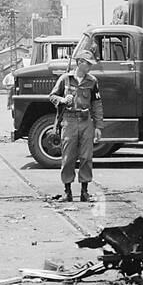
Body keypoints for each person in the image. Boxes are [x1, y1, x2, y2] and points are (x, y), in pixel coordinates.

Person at [50, 52, 104, 201]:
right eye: (88, 63)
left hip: (86, 121)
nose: (90, 66)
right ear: (79, 62)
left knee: (86, 157)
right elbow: (52, 96)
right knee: (68, 157)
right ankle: (67, 192)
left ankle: (84, 192)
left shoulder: (92, 81)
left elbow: (97, 104)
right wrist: (62, 100)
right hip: (69, 121)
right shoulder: (65, 79)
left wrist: (99, 126)